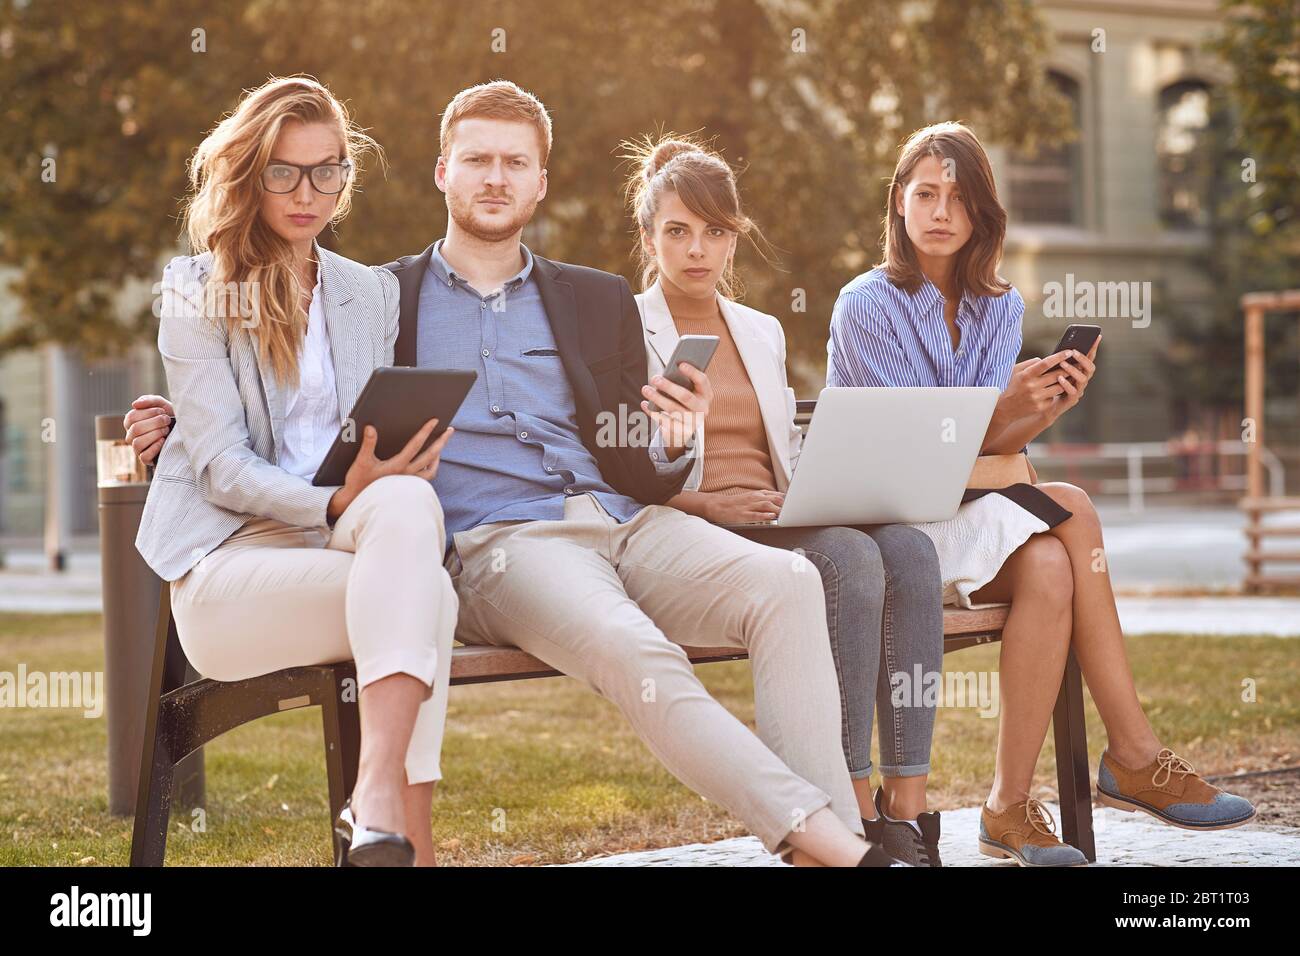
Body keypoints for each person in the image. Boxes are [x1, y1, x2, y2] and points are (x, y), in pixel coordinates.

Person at [129, 80, 891, 866]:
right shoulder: (394, 298)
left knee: (791, 585)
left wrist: (674, 435)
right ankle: (838, 847)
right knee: (633, 649)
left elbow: (639, 459)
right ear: (442, 173)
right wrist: (184, 421)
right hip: (506, 544)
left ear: (541, 181)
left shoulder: (592, 299)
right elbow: (309, 406)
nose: (496, 177)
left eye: (515, 163)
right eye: (478, 160)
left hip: (628, 521)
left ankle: (825, 844)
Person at [826, 121, 1257, 866]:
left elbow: (990, 457)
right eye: (924, 194)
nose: (939, 212)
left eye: (957, 200)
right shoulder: (866, 304)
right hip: (889, 533)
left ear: (981, 215)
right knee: (1077, 509)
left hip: (963, 515)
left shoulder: (1000, 308)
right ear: (898, 203)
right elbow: (910, 463)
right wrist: (1004, 415)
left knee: (1055, 565)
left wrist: (1037, 411)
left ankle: (1010, 806)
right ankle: (1131, 755)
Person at [131, 76, 460, 867]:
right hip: (230, 570)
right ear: (249, 173)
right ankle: (399, 831)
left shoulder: (369, 292)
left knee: (411, 504)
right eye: (283, 171)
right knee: (429, 595)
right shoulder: (196, 289)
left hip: (340, 550)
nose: (307, 192)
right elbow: (220, 467)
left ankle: (375, 802)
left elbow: (367, 447)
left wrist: (394, 466)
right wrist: (339, 497)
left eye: (327, 170)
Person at [624, 133, 945, 865]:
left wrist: (828, 485)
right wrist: (706, 504)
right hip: (699, 530)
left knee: (909, 551)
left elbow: (785, 449)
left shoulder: (759, 330)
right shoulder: (626, 330)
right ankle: (851, 805)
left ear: (735, 240)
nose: (696, 249)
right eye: (677, 231)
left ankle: (911, 808)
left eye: (714, 232)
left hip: (780, 514)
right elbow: (618, 470)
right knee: (851, 560)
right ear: (649, 238)